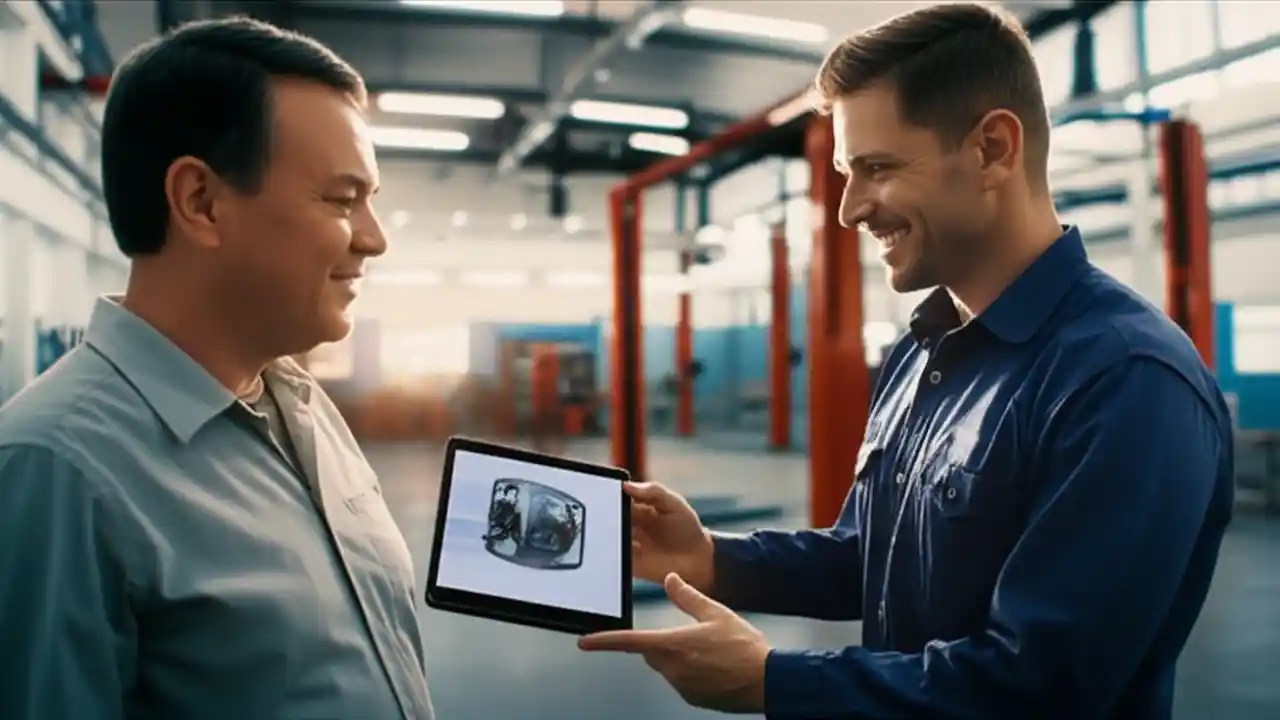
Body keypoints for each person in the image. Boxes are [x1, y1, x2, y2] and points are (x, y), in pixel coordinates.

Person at [579, 4, 1234, 719]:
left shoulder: (1127, 382)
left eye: (877, 168)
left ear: (992, 149)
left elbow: (1042, 688)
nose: (849, 209)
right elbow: (872, 556)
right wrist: (709, 558)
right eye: (844, 173)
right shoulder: (923, 349)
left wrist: (777, 682)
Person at [0, 17, 434, 720]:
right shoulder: (54, 473)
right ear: (200, 202)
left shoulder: (302, 406)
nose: (374, 239)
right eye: (343, 199)